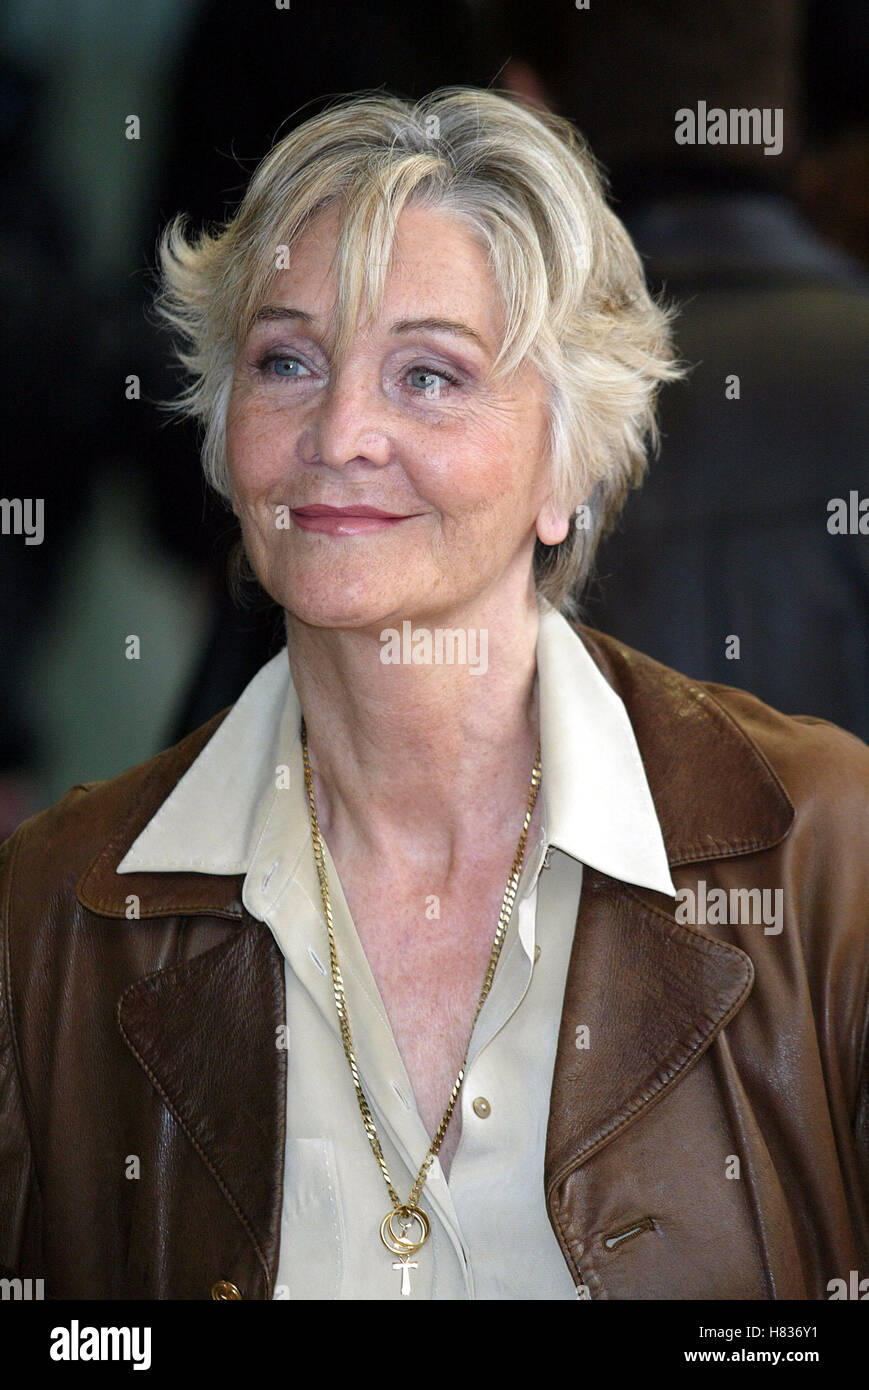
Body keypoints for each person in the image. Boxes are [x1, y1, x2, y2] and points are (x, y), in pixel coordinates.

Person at [0, 87, 866, 1301]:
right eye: (287, 360)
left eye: (428, 375)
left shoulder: (826, 852)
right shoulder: (53, 913)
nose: (339, 431)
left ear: (567, 461)